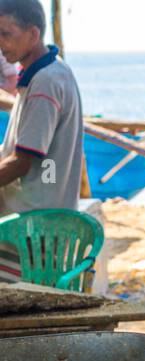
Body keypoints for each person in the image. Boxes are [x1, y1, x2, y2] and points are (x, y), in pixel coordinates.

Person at [0, 0, 84, 215]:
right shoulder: (48, 71)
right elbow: (14, 151)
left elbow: (21, 163)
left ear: (33, 35)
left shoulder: (45, 82)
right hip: (40, 209)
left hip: (36, 219)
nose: (0, 43)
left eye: (5, 34)